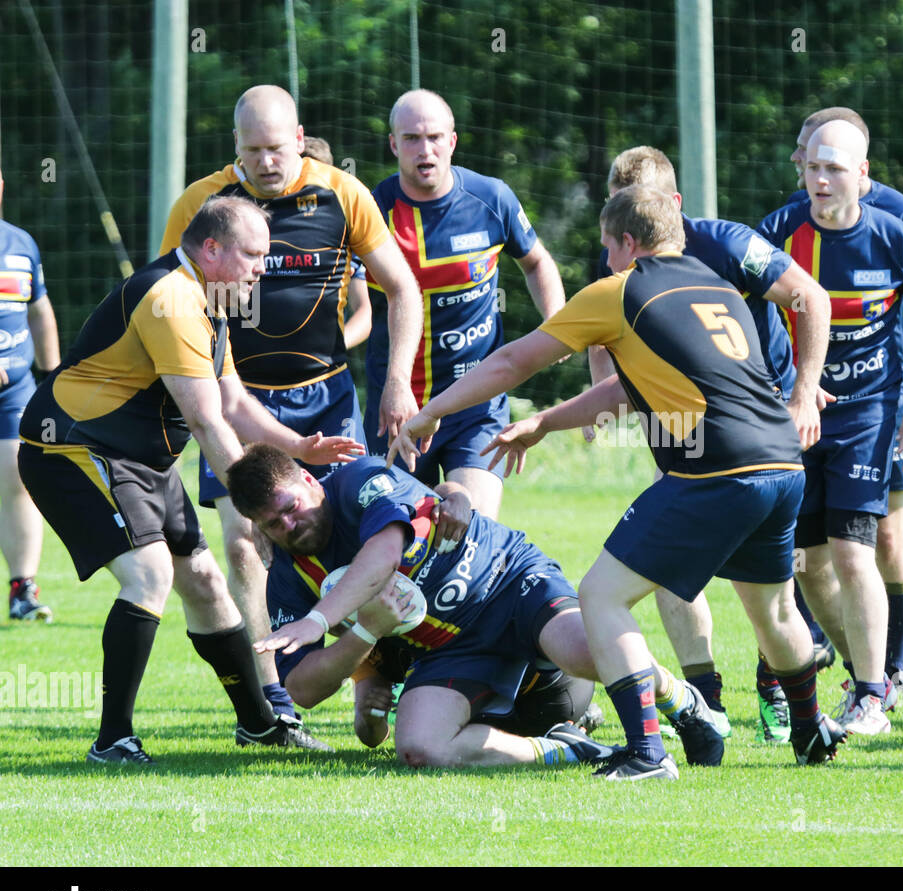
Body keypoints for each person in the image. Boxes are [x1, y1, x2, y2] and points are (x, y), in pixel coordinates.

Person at [391, 185, 845, 779]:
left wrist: (429, 414)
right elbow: (630, 387)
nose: (607, 260)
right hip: (783, 463)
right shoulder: (718, 288)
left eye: (608, 246)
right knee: (775, 611)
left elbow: (511, 363)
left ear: (628, 242)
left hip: (717, 467)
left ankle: (647, 753)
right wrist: (546, 424)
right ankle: (809, 733)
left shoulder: (622, 291)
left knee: (602, 597)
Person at [17, 196, 363, 763]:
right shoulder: (172, 300)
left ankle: (259, 724)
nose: (262, 265)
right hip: (72, 447)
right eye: (252, 254)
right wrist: (260, 510)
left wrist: (298, 446)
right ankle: (114, 741)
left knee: (204, 581)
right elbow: (205, 419)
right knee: (149, 574)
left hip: (137, 458)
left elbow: (233, 401)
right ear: (211, 249)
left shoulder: (209, 299)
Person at [158, 85, 422, 726]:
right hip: (233, 400)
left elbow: (402, 288)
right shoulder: (203, 203)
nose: (265, 162)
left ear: (299, 139)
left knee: (350, 538)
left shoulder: (342, 193)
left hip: (327, 398)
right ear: (236, 148)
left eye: (276, 148)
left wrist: (396, 384)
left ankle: (370, 677)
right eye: (251, 151)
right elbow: (166, 297)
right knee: (249, 540)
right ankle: (273, 695)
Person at [228, 443, 714, 769]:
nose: (289, 527)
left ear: (312, 483)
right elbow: (302, 689)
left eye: (291, 507)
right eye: (273, 524)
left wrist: (321, 619)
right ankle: (569, 752)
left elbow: (385, 553)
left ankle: (683, 702)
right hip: (452, 649)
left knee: (585, 653)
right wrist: (364, 633)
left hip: (509, 582)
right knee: (420, 747)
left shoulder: (359, 479)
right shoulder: (290, 576)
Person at [588, 146, 832, 744]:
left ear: (672, 206)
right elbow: (606, 340)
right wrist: (603, 400)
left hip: (748, 428)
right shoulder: (621, 247)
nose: (626, 224)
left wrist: (803, 392)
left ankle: (771, 698)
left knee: (769, 588)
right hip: (684, 432)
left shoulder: (724, 243)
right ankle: (715, 703)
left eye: (639, 209)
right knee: (679, 573)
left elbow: (809, 298)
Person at [757, 120, 903, 736]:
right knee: (808, 563)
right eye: (813, 167)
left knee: (854, 549)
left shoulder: (897, 237)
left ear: (863, 175)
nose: (821, 179)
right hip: (797, 410)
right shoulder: (777, 233)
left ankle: (873, 693)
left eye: (836, 169)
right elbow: (741, 310)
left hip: (868, 412)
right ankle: (863, 677)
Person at [366, 89, 566, 522]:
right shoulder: (373, 212)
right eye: (413, 138)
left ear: (453, 141)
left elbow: (537, 262)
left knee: (474, 529)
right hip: (400, 408)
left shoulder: (491, 198)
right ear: (393, 145)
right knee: (402, 543)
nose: (426, 149)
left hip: (477, 402)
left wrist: (557, 324)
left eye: (435, 137)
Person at [0, 170, 60, 622]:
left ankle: (23, 589)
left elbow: (39, 311)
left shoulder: (21, 244)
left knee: (19, 478)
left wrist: (53, 376)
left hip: (15, 389)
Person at [300, 135, 373, 353]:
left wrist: (334, 348)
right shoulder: (259, 226)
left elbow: (364, 312)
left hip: (322, 369)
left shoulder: (345, 234)